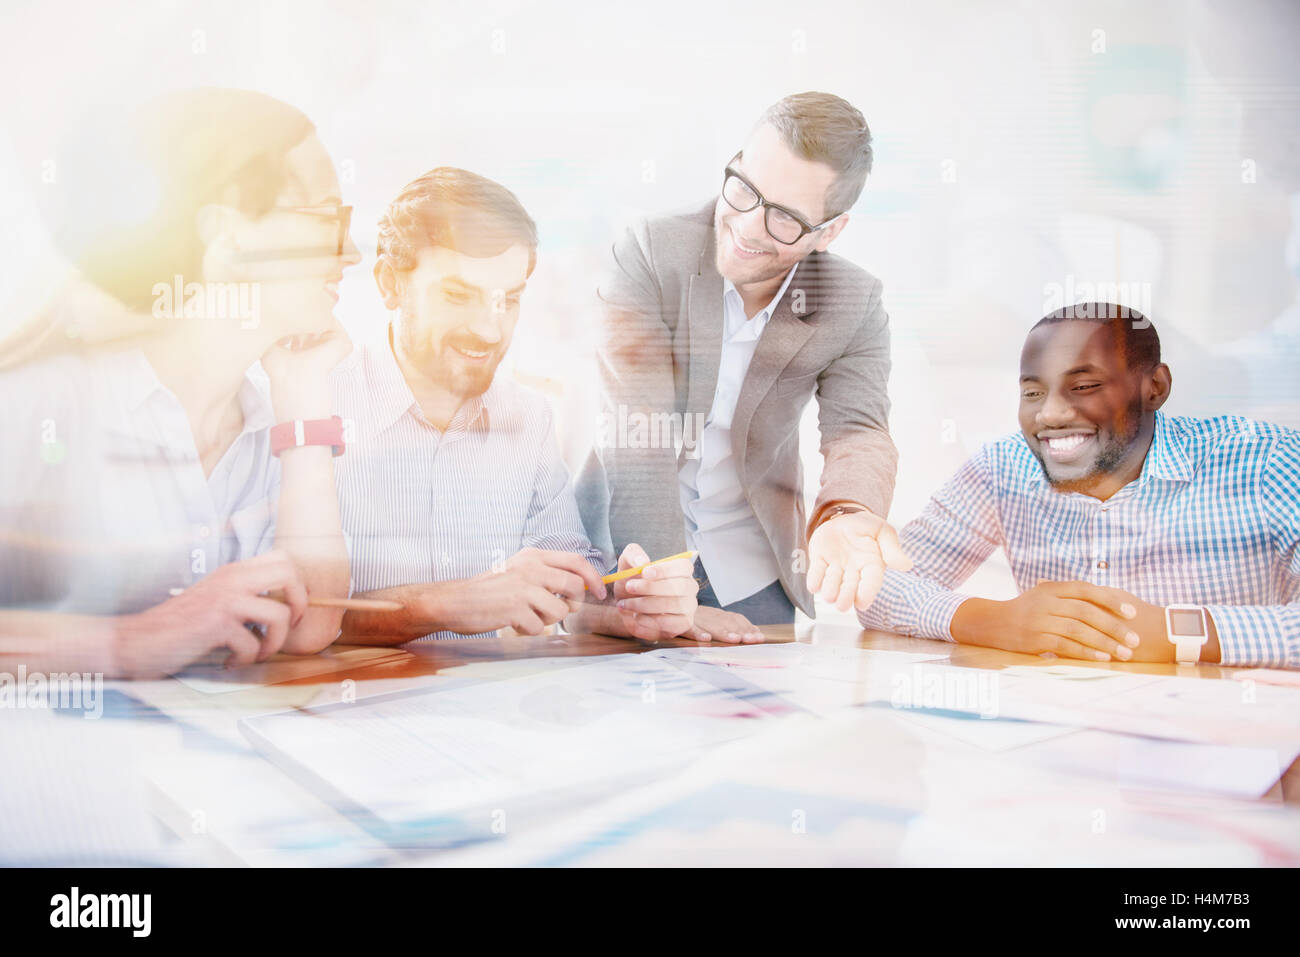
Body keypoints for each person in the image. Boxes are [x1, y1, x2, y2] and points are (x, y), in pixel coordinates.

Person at [0, 88, 357, 679]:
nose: (352, 252)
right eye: (327, 218)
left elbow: (309, 625)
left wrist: (305, 404)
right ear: (230, 236)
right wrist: (128, 643)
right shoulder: (43, 405)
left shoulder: (266, 424)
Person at [577, 91, 909, 643]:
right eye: (746, 189)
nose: (749, 227)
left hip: (754, 568)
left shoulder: (853, 299)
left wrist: (845, 512)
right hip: (632, 557)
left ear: (829, 232)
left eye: (784, 218)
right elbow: (639, 436)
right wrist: (664, 591)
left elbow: (859, 429)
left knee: (758, 725)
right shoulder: (651, 252)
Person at [331, 168, 697, 644]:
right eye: (458, 296)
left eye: (508, 299)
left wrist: (620, 601)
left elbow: (569, 579)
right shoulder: (311, 409)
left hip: (482, 708)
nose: (488, 329)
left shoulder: (528, 418)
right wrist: (448, 602)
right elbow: (286, 615)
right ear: (389, 284)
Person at [861, 303, 1300, 668]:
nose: (1050, 414)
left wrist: (1178, 633)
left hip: (1225, 745)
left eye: (1084, 386)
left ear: (1156, 387)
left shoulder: (1267, 460)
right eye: (1033, 394)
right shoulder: (1004, 467)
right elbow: (876, 586)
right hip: (1062, 740)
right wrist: (991, 620)